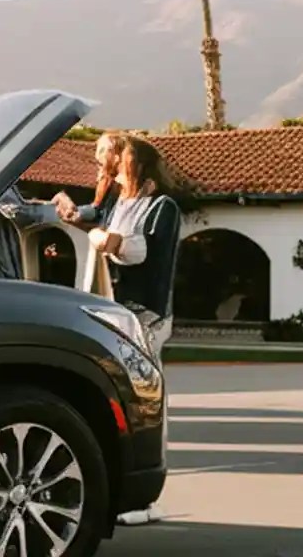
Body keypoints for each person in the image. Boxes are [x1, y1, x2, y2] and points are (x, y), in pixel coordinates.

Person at [83, 134, 200, 525]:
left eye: (122, 158)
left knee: (147, 404)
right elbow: (99, 228)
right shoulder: (120, 203)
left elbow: (137, 251)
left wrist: (103, 239)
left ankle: (147, 499)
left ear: (138, 166)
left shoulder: (161, 208)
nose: (114, 163)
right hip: (117, 313)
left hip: (147, 316)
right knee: (121, 402)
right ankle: (126, 492)